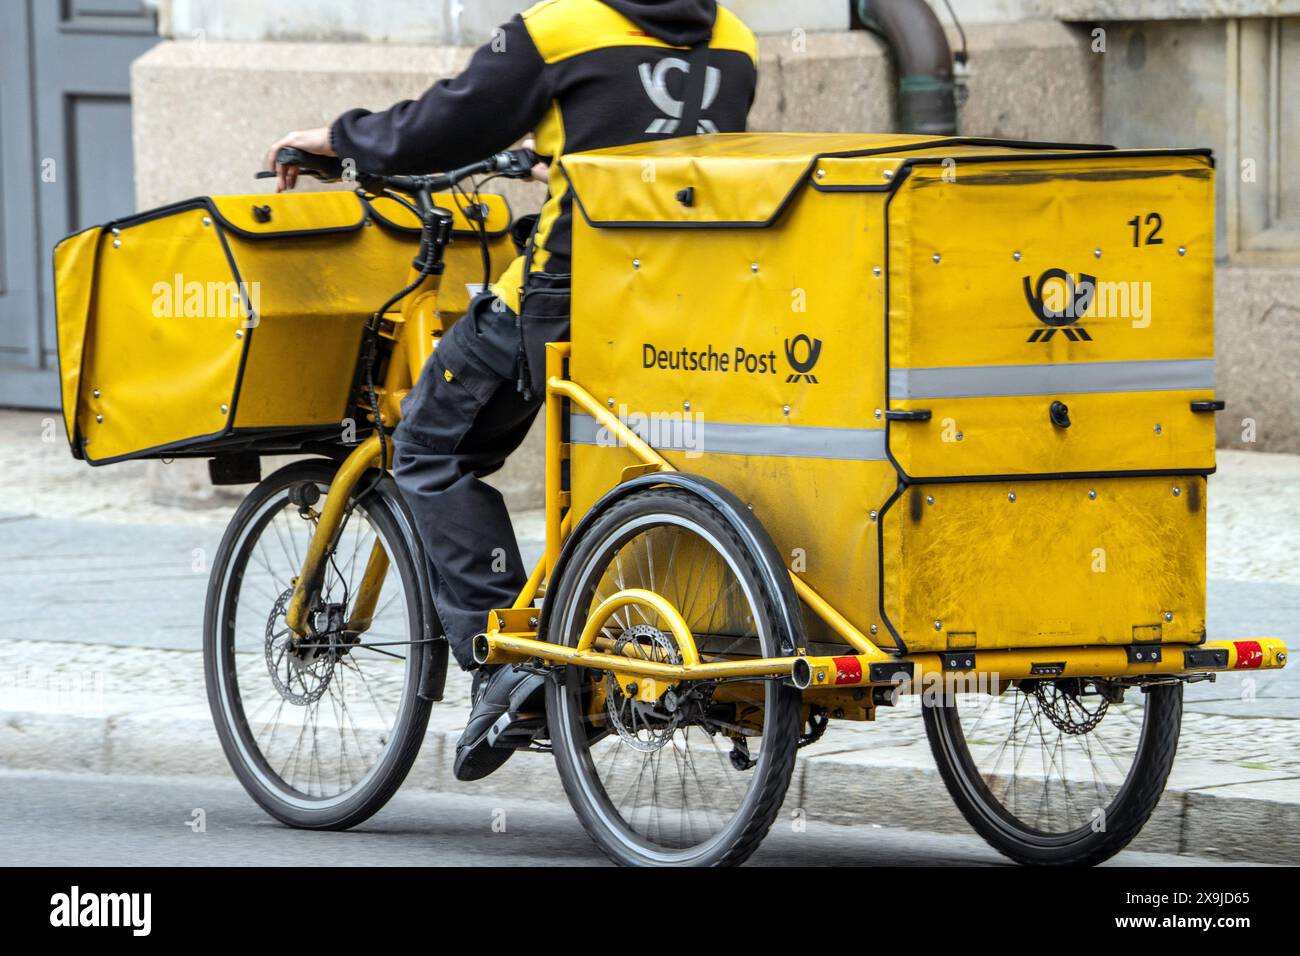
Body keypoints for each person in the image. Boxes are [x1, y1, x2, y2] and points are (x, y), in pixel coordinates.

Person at [265, 0, 758, 781]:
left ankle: (503, 668)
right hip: (680, 300)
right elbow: (654, 155)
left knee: (427, 445)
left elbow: (446, 124)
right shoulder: (735, 39)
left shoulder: (564, 28)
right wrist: (558, 156)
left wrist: (340, 138)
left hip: (567, 298)